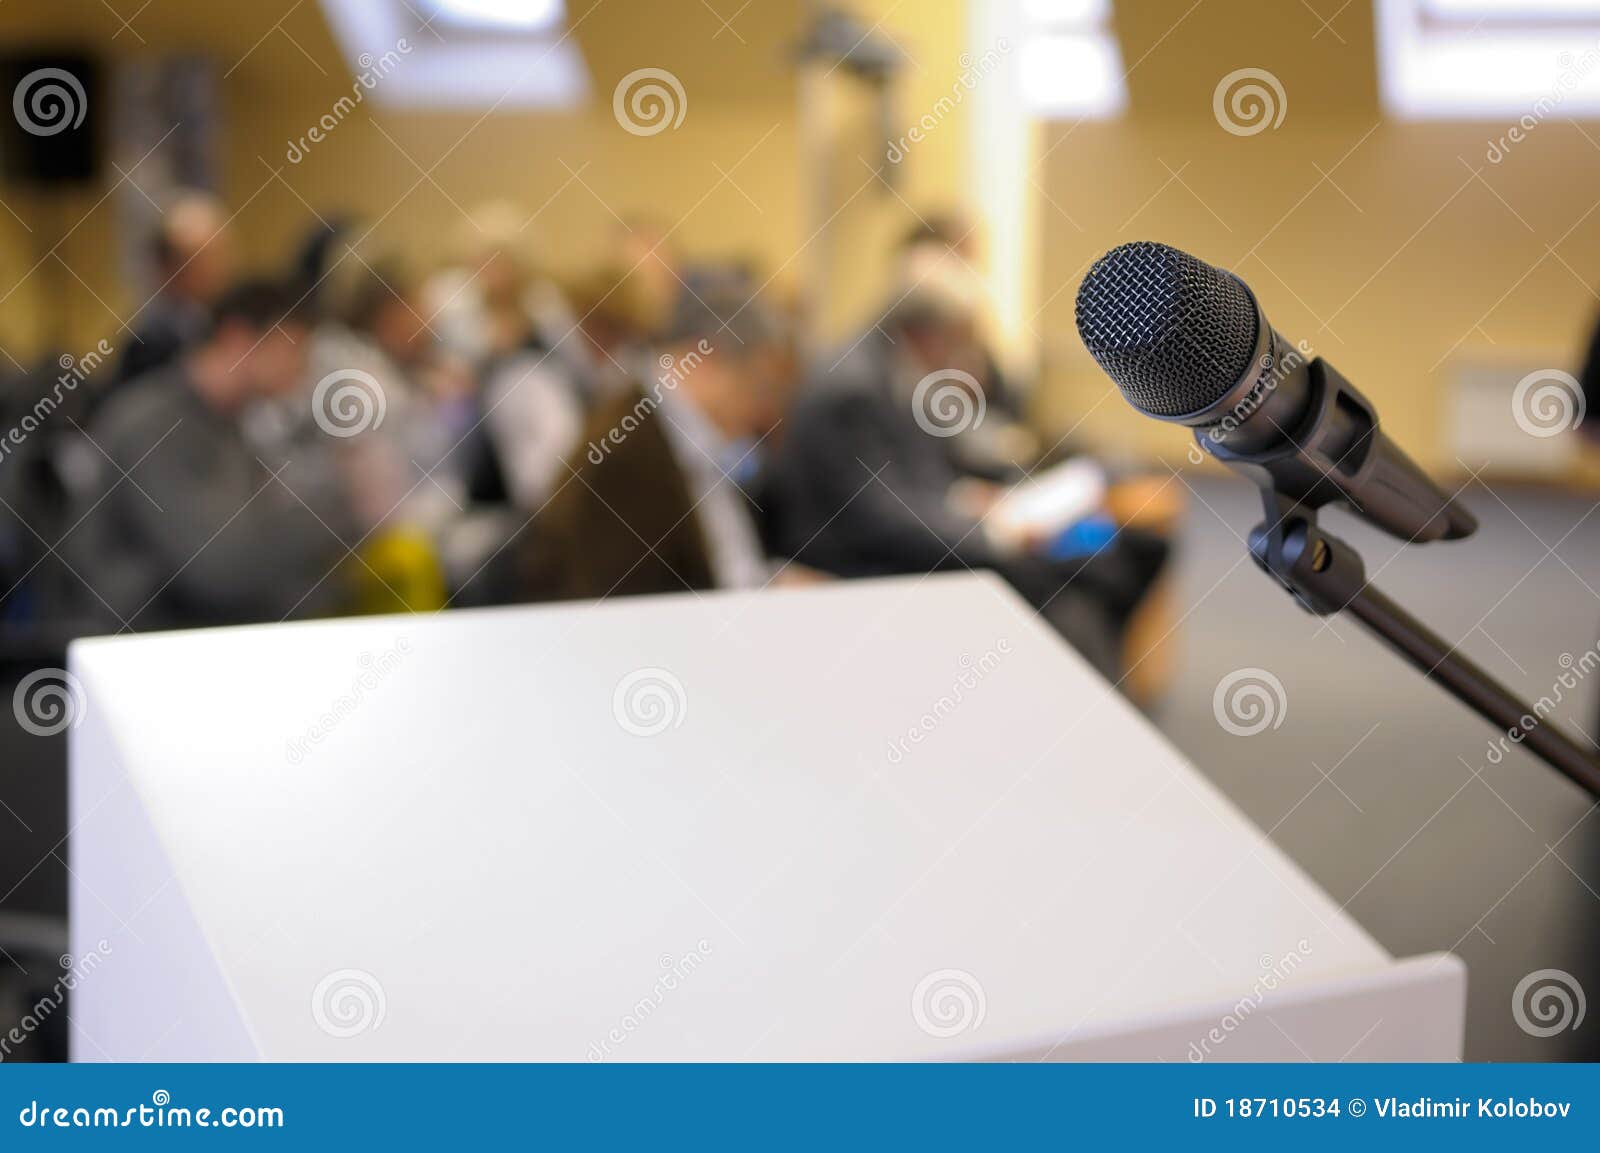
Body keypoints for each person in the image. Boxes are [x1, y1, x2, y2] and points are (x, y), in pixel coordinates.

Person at [768, 283, 1165, 679]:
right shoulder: (854, 389)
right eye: (962, 343)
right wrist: (993, 535)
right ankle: (1082, 698)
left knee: (1117, 556)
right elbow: (879, 515)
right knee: (1064, 577)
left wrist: (966, 498)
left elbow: (909, 481)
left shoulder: (882, 363)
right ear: (929, 334)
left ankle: (1092, 689)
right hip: (855, 558)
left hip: (898, 532)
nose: (967, 358)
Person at [69, 278, 357, 631]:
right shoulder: (153, 425)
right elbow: (220, 570)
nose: (302, 368)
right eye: (294, 348)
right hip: (148, 643)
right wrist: (343, 506)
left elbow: (253, 552)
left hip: (201, 629)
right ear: (237, 338)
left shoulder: (230, 424)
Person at [521, 289, 790, 601]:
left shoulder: (679, 434)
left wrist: (771, 583)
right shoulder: (624, 452)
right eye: (758, 386)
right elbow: (630, 607)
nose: (763, 410)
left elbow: (725, 563)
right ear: (707, 362)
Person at [114, 190, 235, 388]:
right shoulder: (148, 345)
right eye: (209, 258)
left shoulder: (224, 322)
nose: (224, 266)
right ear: (172, 268)